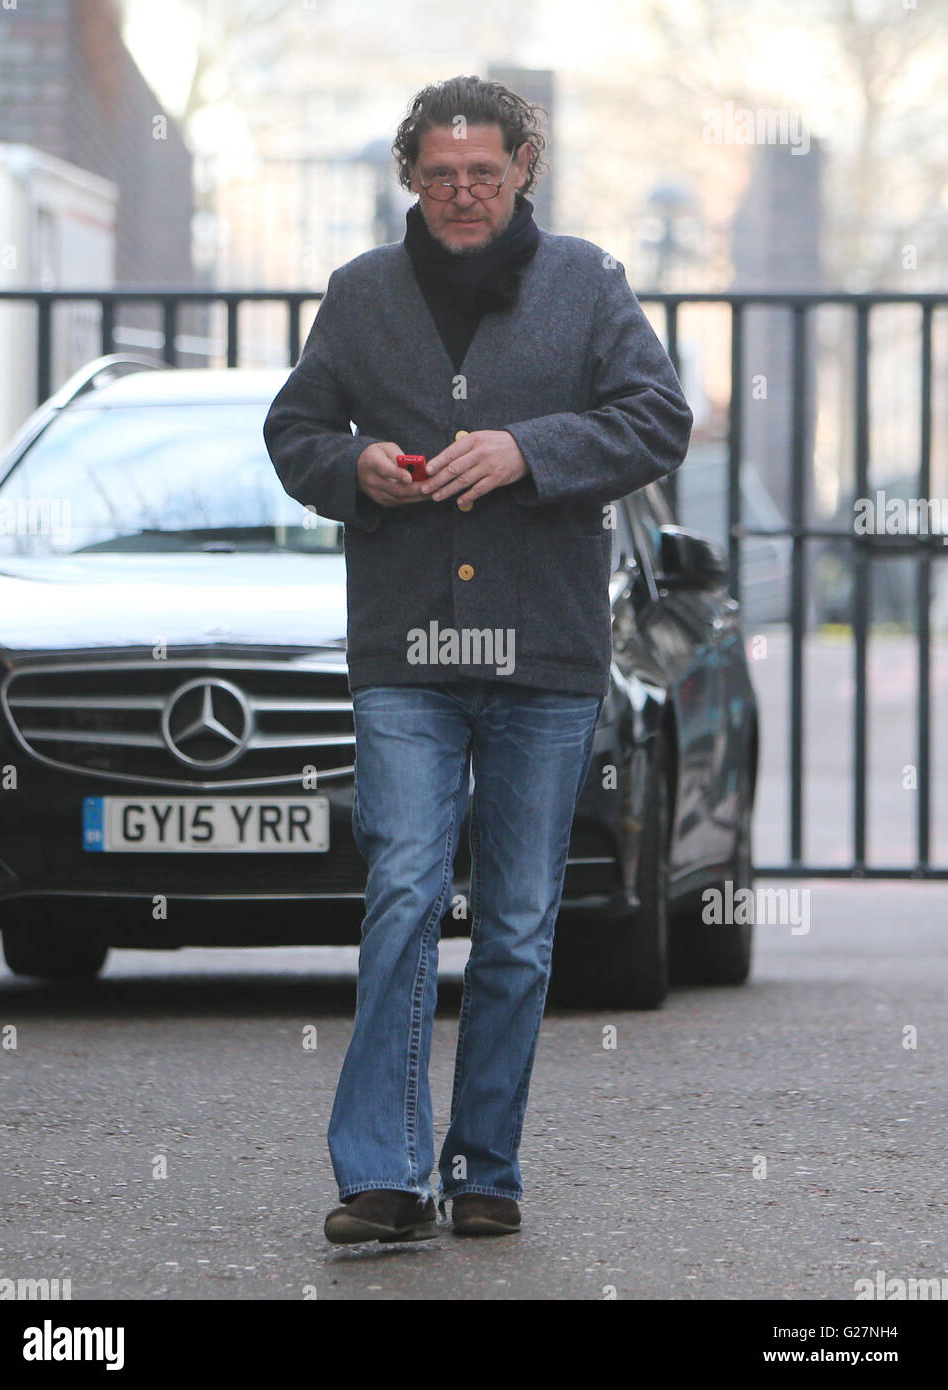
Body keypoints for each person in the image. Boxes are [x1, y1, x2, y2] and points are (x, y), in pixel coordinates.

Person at [263, 75, 693, 1245]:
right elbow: (293, 431)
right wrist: (353, 469)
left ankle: (486, 1164)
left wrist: (525, 450)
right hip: (403, 641)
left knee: (514, 918)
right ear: (412, 174)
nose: (462, 193)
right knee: (403, 888)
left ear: (522, 173)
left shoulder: (589, 283)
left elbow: (660, 419)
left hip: (542, 650)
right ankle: (387, 1172)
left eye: (484, 175)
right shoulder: (359, 295)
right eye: (442, 173)